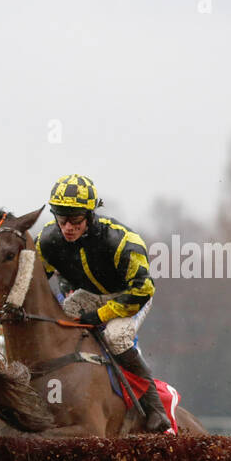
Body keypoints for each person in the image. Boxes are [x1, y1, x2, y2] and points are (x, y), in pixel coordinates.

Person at [34, 174, 173, 433]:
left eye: (75, 221)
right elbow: (36, 280)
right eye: (62, 219)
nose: (67, 228)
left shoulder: (120, 241)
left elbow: (142, 289)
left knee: (115, 335)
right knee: (59, 320)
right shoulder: (47, 240)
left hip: (130, 296)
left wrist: (99, 315)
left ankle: (154, 407)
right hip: (89, 294)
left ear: (90, 215)